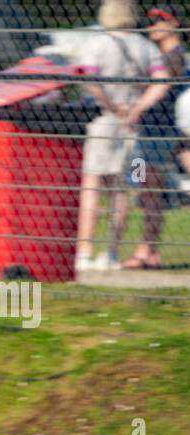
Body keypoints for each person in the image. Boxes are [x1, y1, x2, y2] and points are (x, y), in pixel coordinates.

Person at [75, 0, 169, 272]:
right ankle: (112, 252)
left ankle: (84, 251)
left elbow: (88, 79)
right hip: (131, 124)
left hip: (104, 119)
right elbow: (160, 82)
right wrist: (138, 107)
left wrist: (112, 105)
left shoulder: (97, 44)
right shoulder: (146, 46)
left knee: (92, 186)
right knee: (119, 190)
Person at [121, 7, 186, 269]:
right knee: (149, 192)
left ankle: (146, 250)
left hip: (159, 131)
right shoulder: (164, 56)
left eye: (160, 21)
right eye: (151, 21)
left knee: (147, 192)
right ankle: (149, 251)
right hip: (160, 130)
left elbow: (162, 86)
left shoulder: (174, 55)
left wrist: (137, 108)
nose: (153, 26)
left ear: (174, 24)